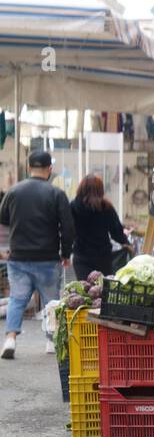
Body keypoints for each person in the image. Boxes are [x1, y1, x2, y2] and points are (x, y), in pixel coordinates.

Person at [0, 151, 74, 359]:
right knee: (51, 301)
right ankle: (52, 342)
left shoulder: (13, 192)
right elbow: (68, 227)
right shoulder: (56, 194)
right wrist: (66, 253)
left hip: (18, 258)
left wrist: (4, 249)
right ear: (49, 169)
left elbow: (2, 223)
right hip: (48, 258)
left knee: (17, 299)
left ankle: (10, 339)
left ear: (28, 167)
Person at [70, 174, 130, 281]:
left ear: (81, 189)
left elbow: (68, 231)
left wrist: (66, 251)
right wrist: (126, 243)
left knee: (84, 291)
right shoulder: (106, 207)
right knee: (102, 292)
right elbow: (116, 232)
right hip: (103, 258)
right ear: (100, 190)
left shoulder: (73, 207)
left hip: (81, 257)